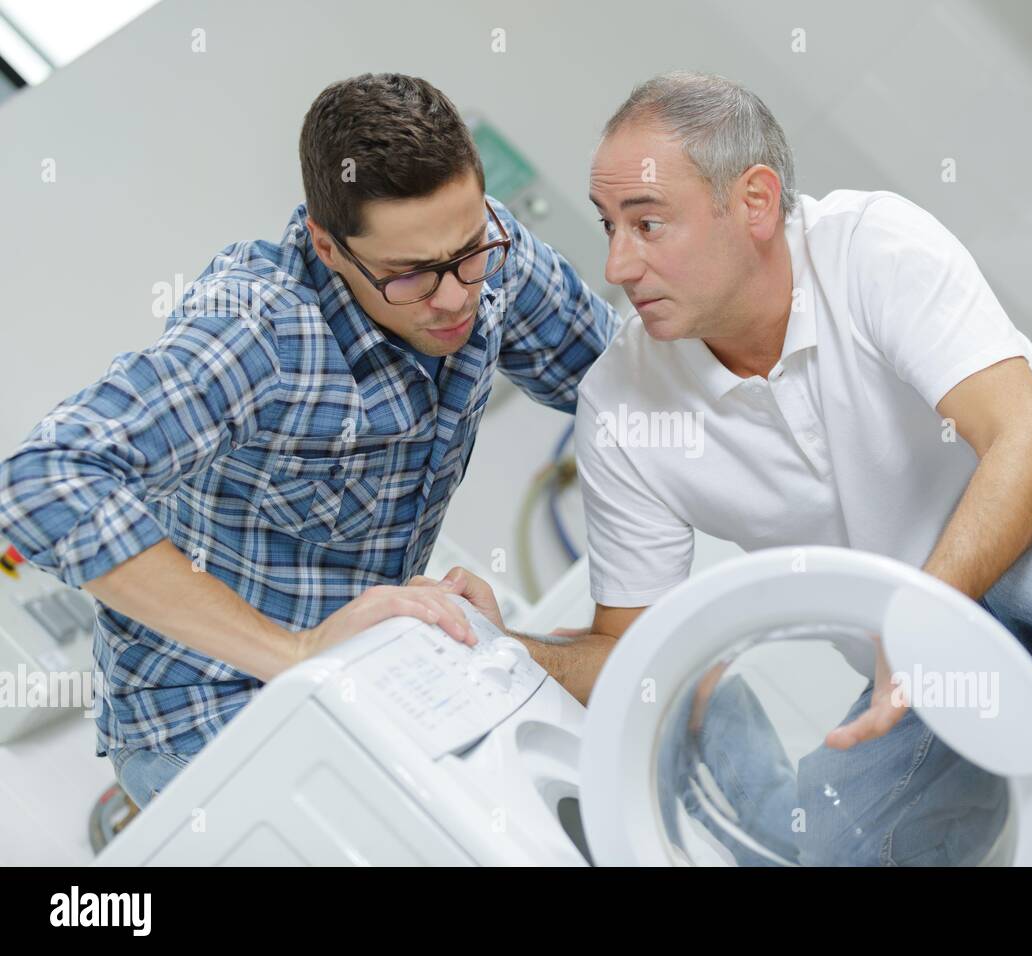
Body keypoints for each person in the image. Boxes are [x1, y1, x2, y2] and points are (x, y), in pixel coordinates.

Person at [451, 71, 1032, 866]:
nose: (618, 267)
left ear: (752, 201)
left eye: (647, 223)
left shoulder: (866, 247)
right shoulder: (622, 404)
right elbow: (636, 656)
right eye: (608, 226)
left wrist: (912, 620)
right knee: (830, 848)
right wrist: (495, 648)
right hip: (935, 655)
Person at [0, 73, 616, 810]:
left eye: (469, 251)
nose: (456, 296)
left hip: (369, 678)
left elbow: (630, 393)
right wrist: (294, 655)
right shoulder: (260, 328)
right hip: (203, 716)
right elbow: (43, 481)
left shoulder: (485, 256)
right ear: (328, 246)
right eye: (410, 276)